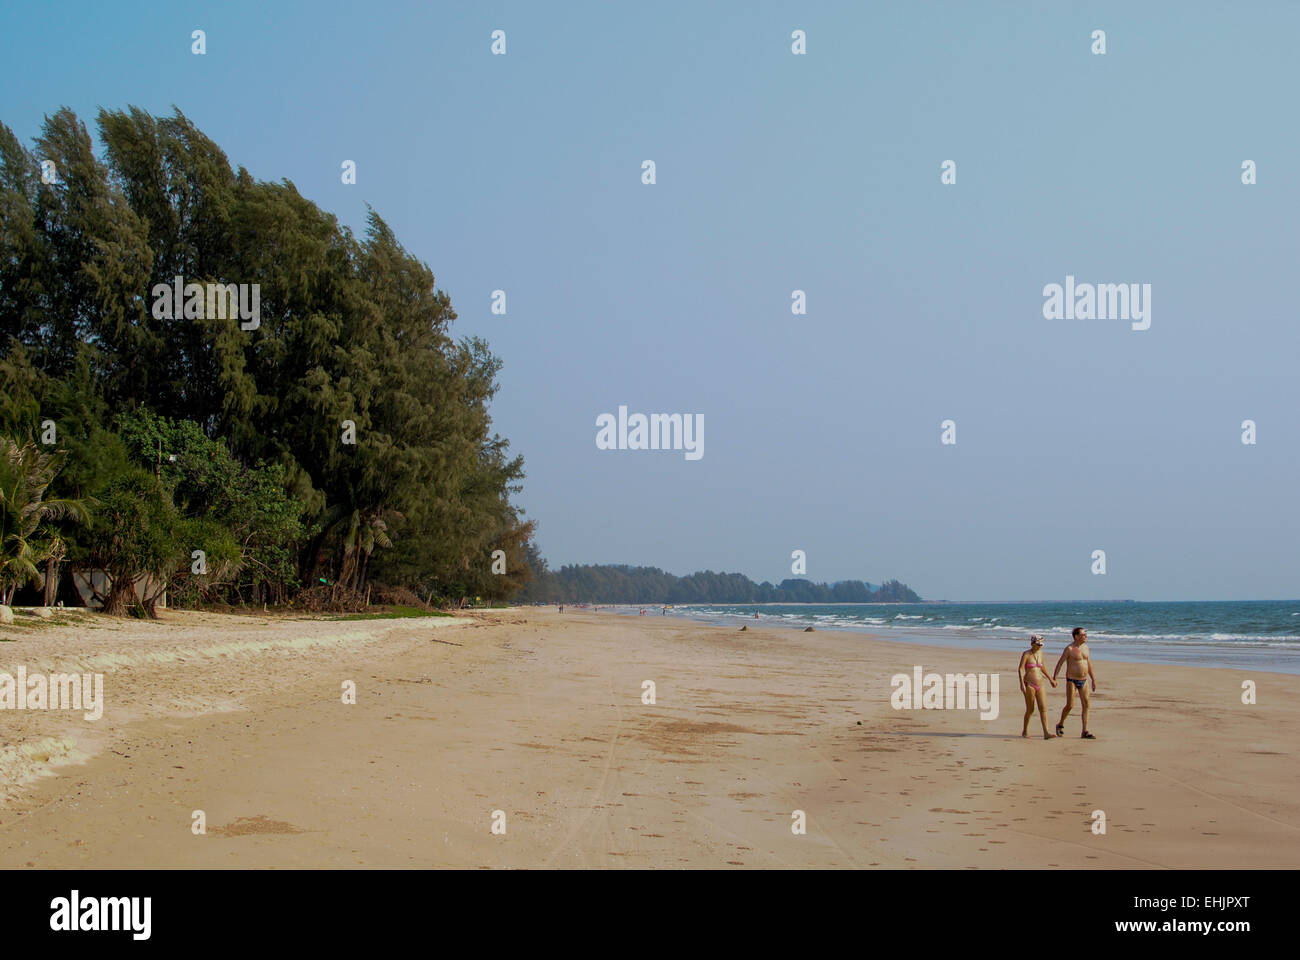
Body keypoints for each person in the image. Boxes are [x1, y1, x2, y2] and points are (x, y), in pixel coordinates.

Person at [1053, 627, 1098, 739]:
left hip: (1084, 680)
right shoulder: (1069, 649)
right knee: (1070, 705)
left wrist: (1093, 679)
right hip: (1071, 680)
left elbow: (1089, 664)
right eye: (1083, 635)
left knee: (1086, 705)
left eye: (1085, 634)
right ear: (1076, 636)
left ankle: (1084, 731)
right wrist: (1055, 678)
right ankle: (1060, 724)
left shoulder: (1086, 648)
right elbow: (1060, 664)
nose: (1085, 636)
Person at [1018, 634, 1057, 739]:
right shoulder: (1026, 654)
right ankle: (1025, 730)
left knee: (1043, 708)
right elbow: (1021, 669)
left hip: (1040, 684)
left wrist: (1050, 679)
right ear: (1032, 643)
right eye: (1038, 644)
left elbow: (1043, 668)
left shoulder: (1041, 654)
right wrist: (1021, 683)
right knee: (1030, 709)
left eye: (1041, 644)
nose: (1040, 646)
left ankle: (1046, 732)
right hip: (1029, 684)